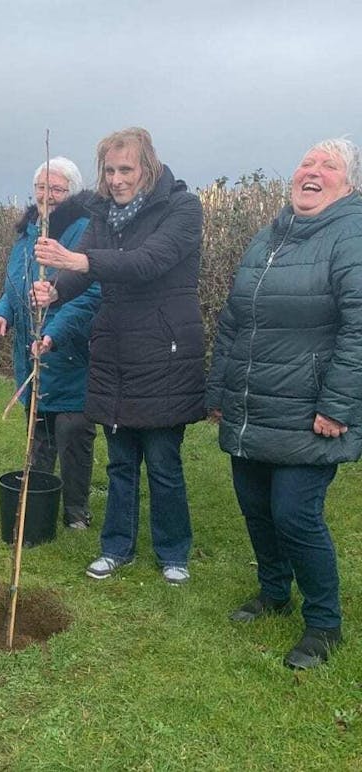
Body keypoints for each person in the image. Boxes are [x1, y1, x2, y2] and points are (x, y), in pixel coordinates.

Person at [206, 138, 362, 669]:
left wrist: (338, 404)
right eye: (307, 163)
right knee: (256, 509)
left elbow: (358, 328)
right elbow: (233, 319)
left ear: (349, 184)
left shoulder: (351, 236)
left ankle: (324, 623)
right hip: (253, 404)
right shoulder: (267, 237)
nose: (312, 172)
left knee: (295, 514)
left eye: (329, 166)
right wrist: (221, 390)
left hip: (309, 409)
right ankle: (274, 593)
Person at [33, 127, 205, 585]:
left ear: (146, 166)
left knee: (164, 463)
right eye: (109, 170)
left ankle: (173, 552)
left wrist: (76, 263)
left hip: (165, 355)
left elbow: (147, 262)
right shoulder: (104, 215)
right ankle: (116, 547)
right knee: (120, 461)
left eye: (125, 169)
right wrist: (54, 290)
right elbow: (83, 266)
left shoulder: (183, 209)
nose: (116, 179)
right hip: (115, 353)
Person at [0, 157, 100, 529]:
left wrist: (56, 332)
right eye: (41, 188)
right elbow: (13, 286)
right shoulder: (27, 235)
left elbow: (89, 294)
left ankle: (76, 511)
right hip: (31, 354)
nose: (47, 196)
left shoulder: (84, 232)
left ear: (71, 193)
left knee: (71, 433)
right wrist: (2, 311)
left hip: (70, 353)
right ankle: (40, 498)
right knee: (39, 431)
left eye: (56, 189)